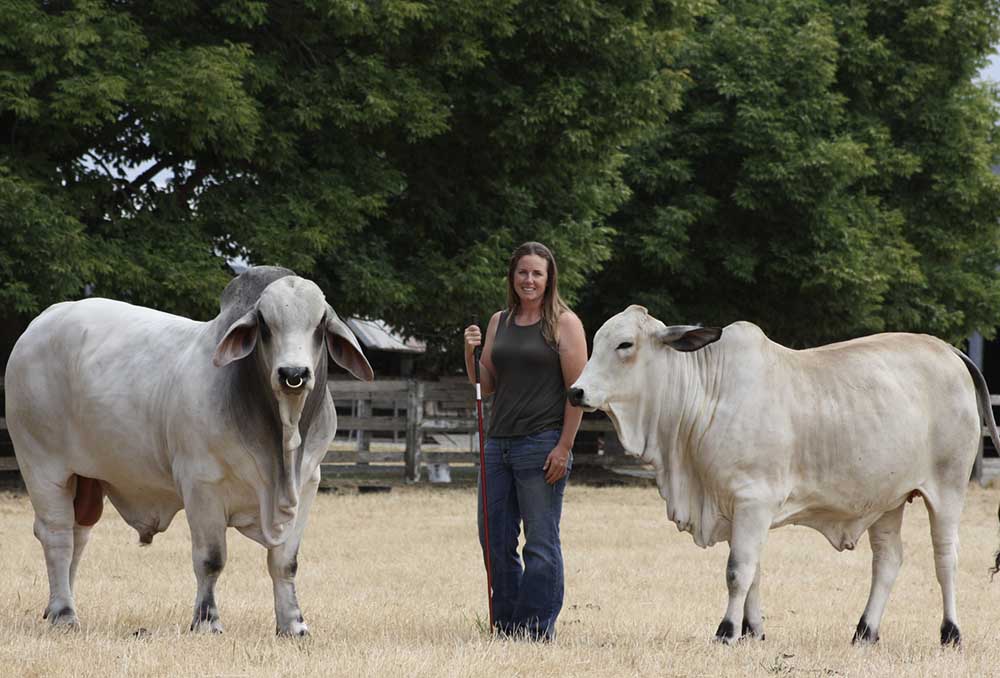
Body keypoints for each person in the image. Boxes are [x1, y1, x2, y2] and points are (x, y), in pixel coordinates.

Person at [463, 241, 587, 641]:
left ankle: (535, 629)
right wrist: (470, 352)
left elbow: (577, 392)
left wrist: (564, 447)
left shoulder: (564, 323)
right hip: (498, 444)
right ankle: (507, 623)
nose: (528, 280)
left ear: (549, 278)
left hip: (542, 442)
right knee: (494, 537)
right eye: (522, 272)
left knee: (539, 540)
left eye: (537, 273)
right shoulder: (501, 320)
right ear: (512, 277)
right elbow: (485, 383)